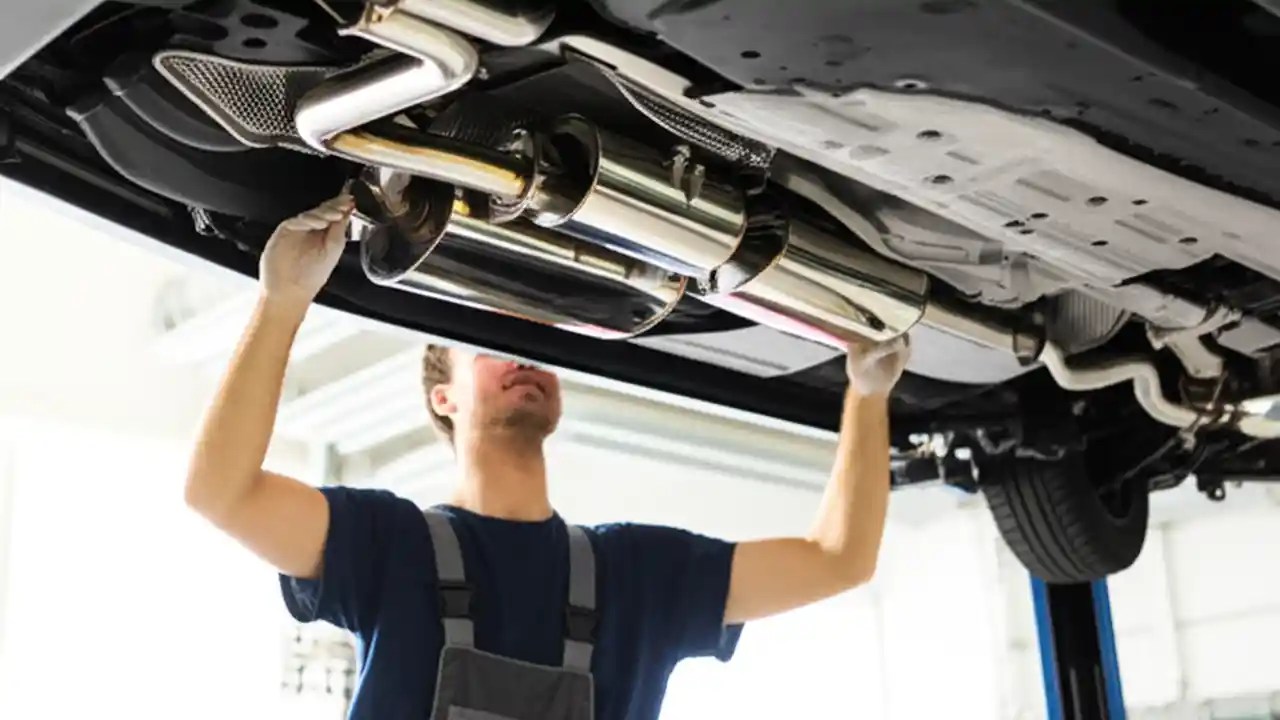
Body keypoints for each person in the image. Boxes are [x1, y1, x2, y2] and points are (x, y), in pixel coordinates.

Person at [185, 195, 912, 720]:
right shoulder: (387, 548)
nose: (523, 354)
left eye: (536, 342)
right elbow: (221, 492)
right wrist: (281, 301)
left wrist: (867, 397)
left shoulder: (642, 577)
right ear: (444, 397)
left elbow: (839, 558)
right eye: (493, 340)